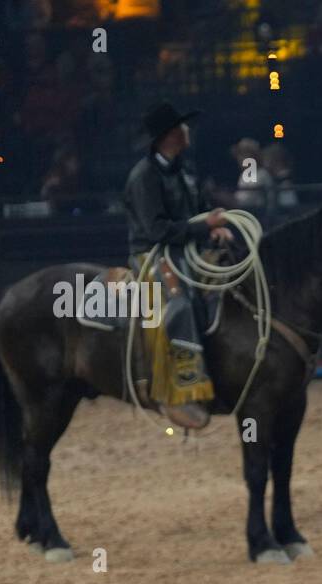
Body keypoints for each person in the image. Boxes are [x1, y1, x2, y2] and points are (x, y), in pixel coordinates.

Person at [123, 102, 233, 430]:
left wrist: (213, 227)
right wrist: (203, 226)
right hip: (152, 254)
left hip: (186, 249)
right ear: (170, 135)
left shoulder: (185, 169)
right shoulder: (144, 177)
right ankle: (181, 390)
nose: (187, 131)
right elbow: (156, 230)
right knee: (180, 305)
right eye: (182, 127)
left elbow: (199, 209)